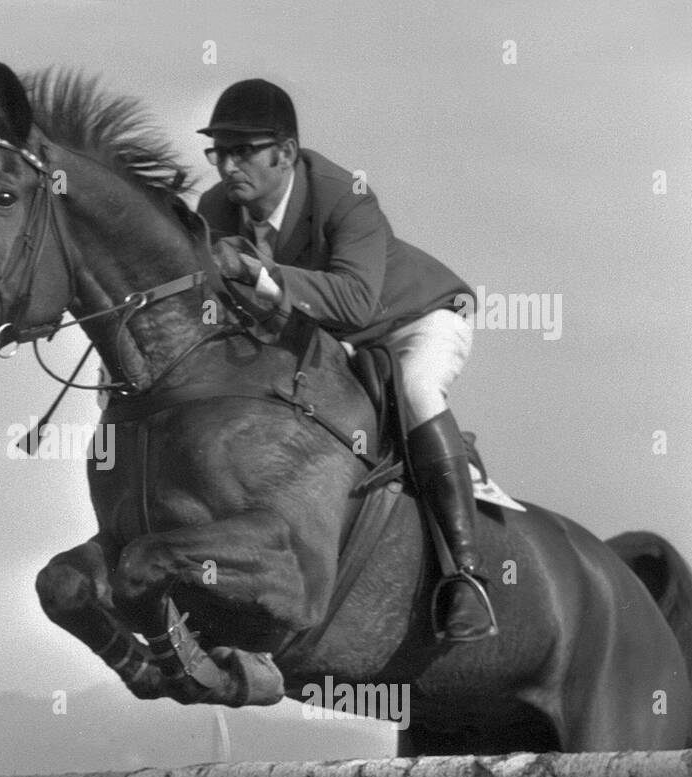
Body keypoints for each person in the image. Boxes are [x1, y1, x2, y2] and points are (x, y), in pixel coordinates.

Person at [197, 78, 495, 642]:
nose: (229, 166)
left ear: (285, 153)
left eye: (243, 151)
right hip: (332, 335)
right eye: (220, 153)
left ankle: (466, 575)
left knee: (416, 391)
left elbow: (357, 301)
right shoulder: (216, 207)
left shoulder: (343, 194)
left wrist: (256, 273)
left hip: (415, 320)